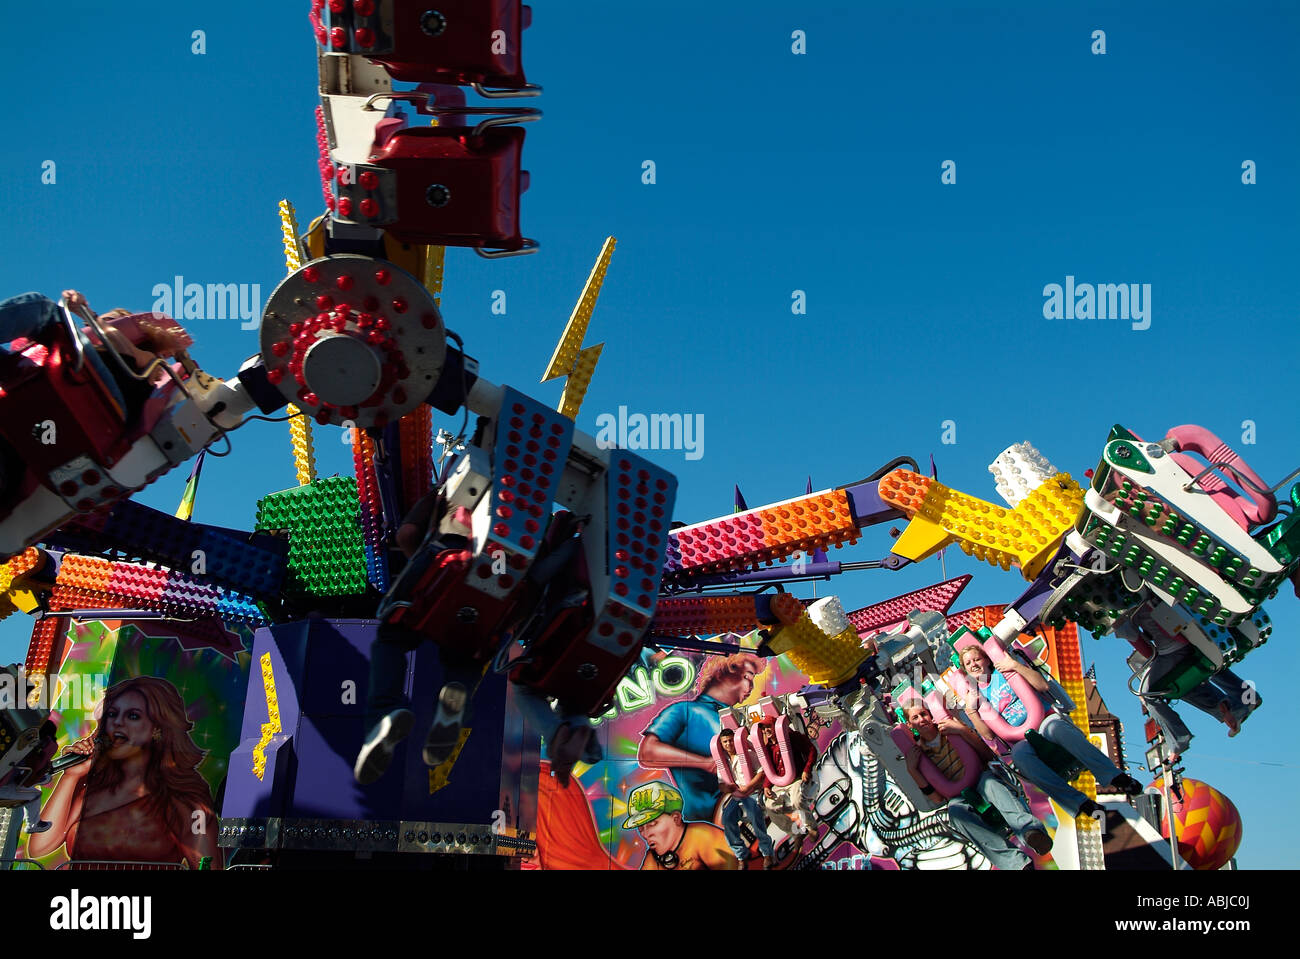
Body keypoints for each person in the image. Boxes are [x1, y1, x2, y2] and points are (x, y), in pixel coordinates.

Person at [354, 488, 487, 784]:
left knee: (392, 635)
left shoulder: (452, 486)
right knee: (468, 651)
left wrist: (420, 568)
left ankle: (384, 715)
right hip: (492, 581)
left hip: (444, 558)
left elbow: (407, 534)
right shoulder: (531, 503)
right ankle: (455, 695)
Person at [27, 677, 223, 869]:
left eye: (133, 716)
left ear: (157, 728)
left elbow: (207, 863)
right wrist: (71, 776)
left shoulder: (183, 797)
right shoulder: (92, 787)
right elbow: (40, 847)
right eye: (112, 714)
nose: (118, 723)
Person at [958, 645, 1143, 816]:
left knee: (1057, 729)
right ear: (965, 670)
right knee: (1020, 756)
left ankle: (1114, 776)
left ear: (987, 659)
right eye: (968, 663)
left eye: (977, 659)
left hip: (1043, 719)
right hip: (1019, 738)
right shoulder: (977, 695)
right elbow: (989, 735)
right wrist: (971, 711)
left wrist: (1015, 665)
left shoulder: (1003, 671)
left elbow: (1042, 686)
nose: (974, 664)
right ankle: (1079, 804)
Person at [900, 697, 1051, 871]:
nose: (921, 720)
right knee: (955, 812)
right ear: (910, 725)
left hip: (979, 777)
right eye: (915, 718)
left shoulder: (949, 730)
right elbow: (936, 798)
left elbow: (987, 755)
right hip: (958, 795)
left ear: (930, 715)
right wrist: (913, 770)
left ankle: (1031, 832)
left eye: (923, 714)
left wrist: (962, 730)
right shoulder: (919, 754)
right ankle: (1017, 864)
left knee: (990, 784)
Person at [0, 290, 191, 422]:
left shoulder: (148, 362)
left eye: (111, 320)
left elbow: (115, 339)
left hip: (106, 401)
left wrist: (89, 314)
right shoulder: (101, 353)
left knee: (44, 307)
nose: (91, 326)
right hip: (86, 391)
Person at [637, 651, 763, 823]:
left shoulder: (739, 718)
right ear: (721, 673)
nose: (751, 687)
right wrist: (705, 763)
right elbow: (648, 752)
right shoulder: (684, 710)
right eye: (747, 677)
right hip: (707, 822)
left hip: (750, 812)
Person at [622, 781, 738, 870]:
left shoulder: (703, 837)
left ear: (676, 818)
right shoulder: (653, 858)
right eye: (641, 828)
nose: (646, 834)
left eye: (653, 824)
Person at [717, 728, 775, 868]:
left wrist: (749, 786)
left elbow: (761, 773)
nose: (728, 744)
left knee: (755, 816)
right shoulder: (722, 760)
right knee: (727, 819)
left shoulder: (747, 754)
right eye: (725, 741)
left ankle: (767, 854)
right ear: (721, 743)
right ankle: (741, 855)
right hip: (736, 796)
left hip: (752, 793)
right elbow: (720, 784)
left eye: (731, 740)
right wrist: (727, 788)